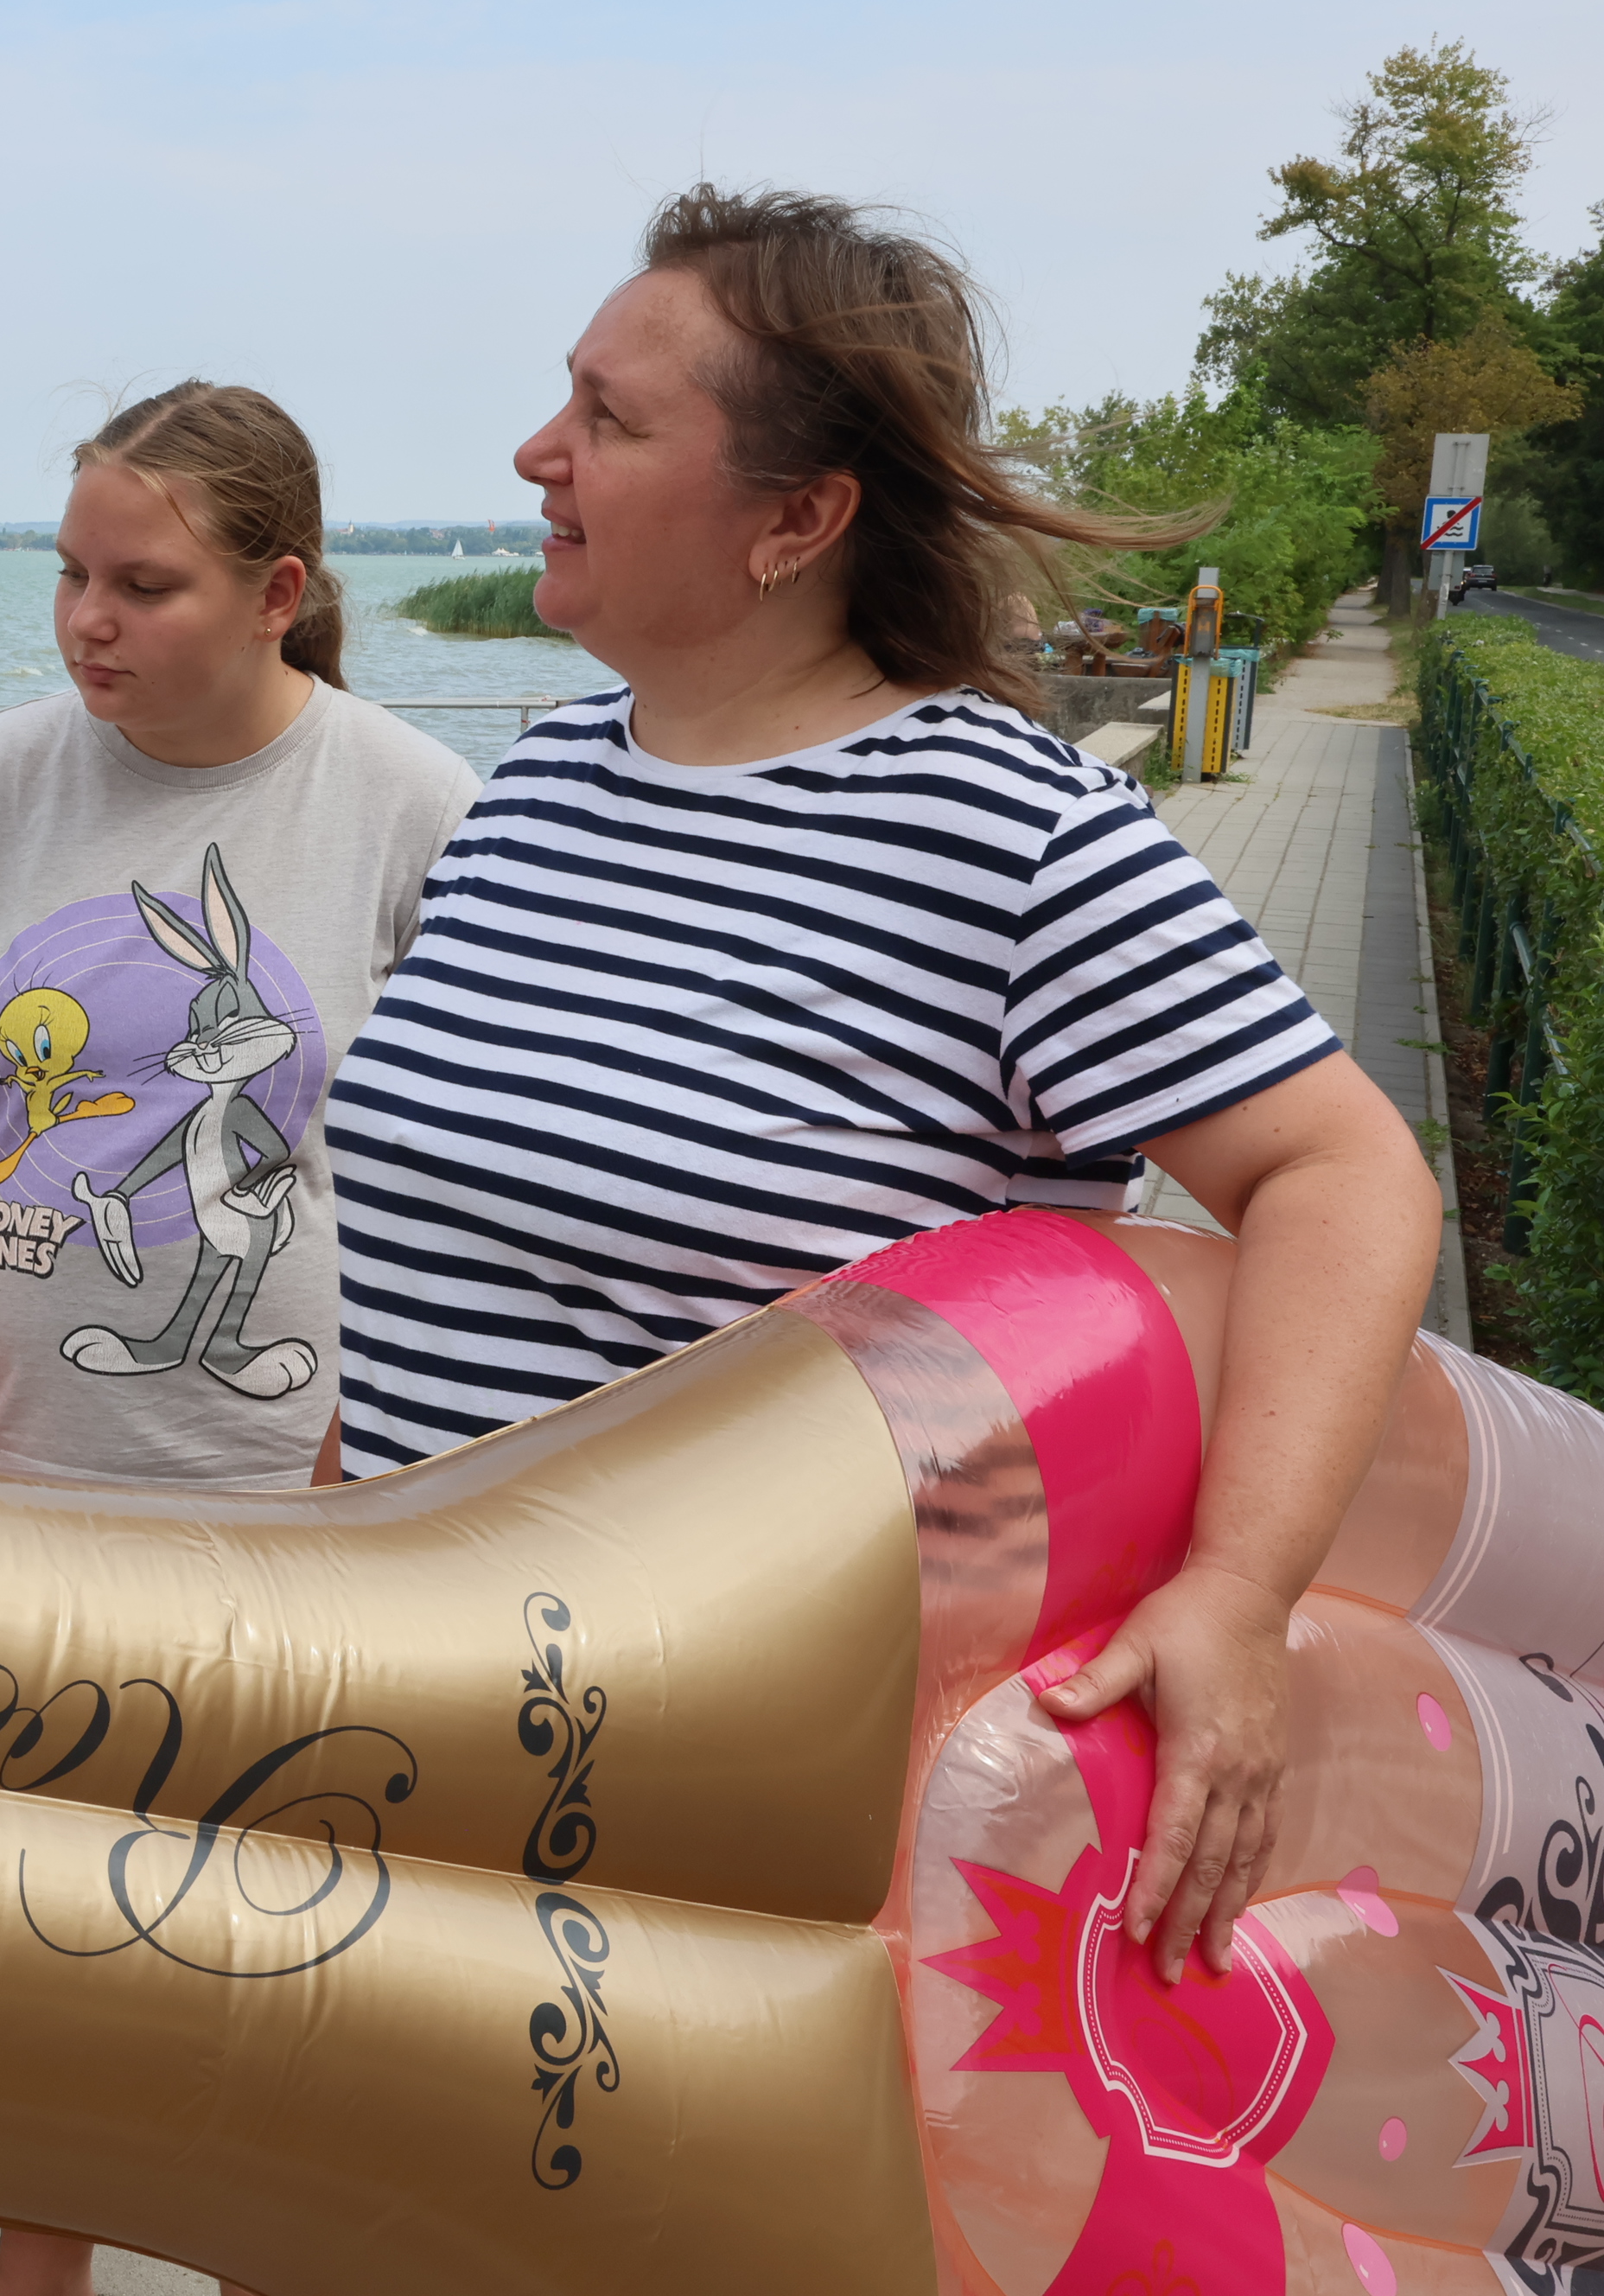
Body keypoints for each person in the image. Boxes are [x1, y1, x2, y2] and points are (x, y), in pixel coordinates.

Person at [321, 185, 1442, 1991]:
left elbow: (1348, 1171)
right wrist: (325, 1538)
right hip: (382, 1722)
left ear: (800, 517)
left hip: (729, 1807)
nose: (539, 452)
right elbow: (436, 1271)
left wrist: (1238, 1590)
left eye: (609, 418)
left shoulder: (1004, 833)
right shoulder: (530, 792)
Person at [0, 381, 476, 2296]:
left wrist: (384, 1463)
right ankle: (37, 2258)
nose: (89, 620)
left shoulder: (411, 804)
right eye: (71, 574)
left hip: (295, 1491)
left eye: (144, 584)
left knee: (287, 1916)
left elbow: (458, 1176)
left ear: (279, 591)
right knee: (37, 1922)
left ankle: (267, 2247)